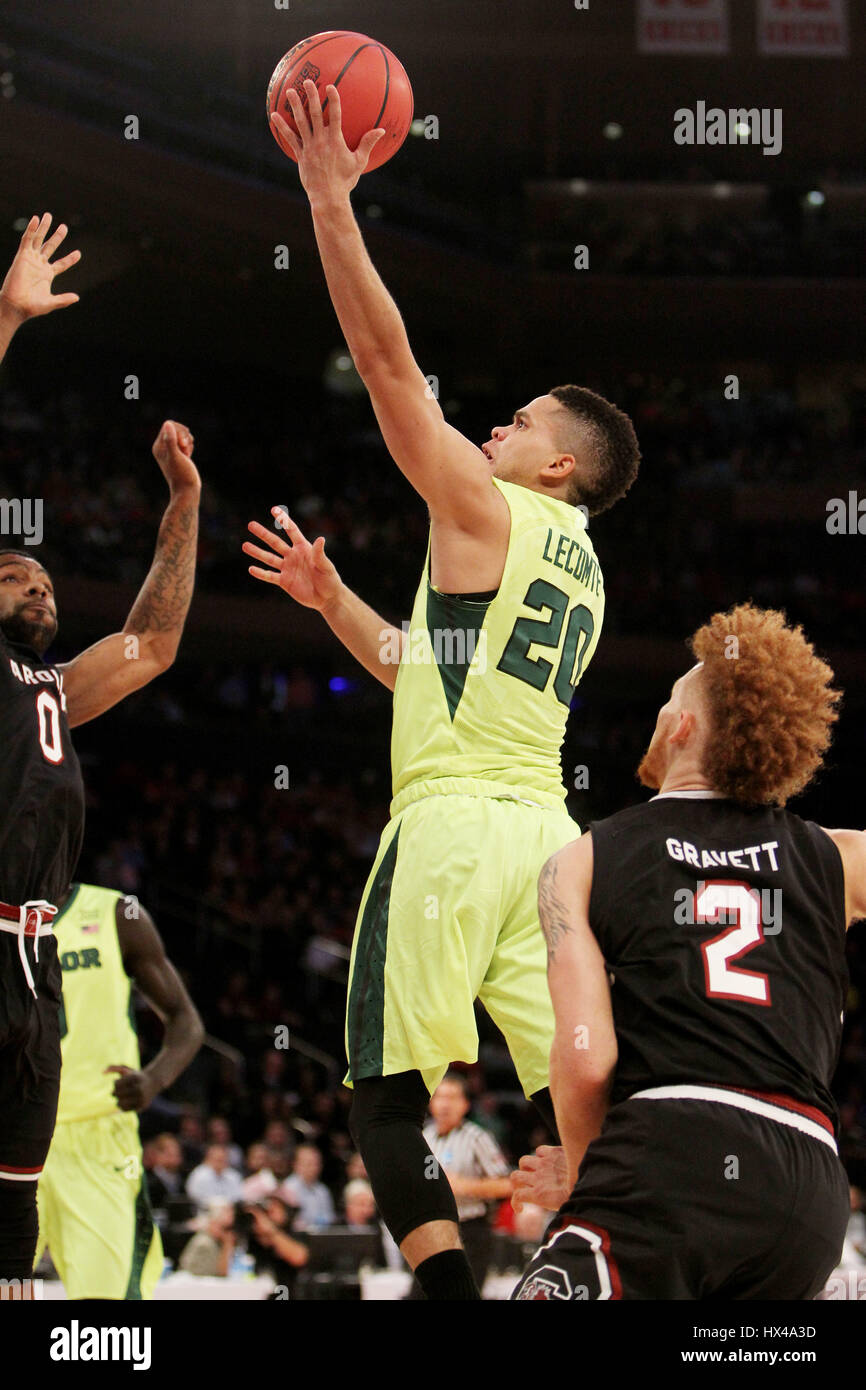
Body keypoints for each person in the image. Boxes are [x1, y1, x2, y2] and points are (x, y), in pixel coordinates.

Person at [247, 80, 640, 1302]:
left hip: (453, 827)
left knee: (377, 1093)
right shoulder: (580, 571)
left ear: (557, 462)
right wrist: (336, 606)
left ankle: (447, 1297)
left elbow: (386, 366)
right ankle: (621, 1274)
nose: (495, 427)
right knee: (580, 1099)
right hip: (548, 849)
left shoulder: (485, 504)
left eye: (517, 420)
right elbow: (425, 669)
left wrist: (327, 203)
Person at [511, 603, 857, 1300]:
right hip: (810, 1191)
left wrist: (589, 1179)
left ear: (683, 726)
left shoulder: (583, 859)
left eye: (670, 699)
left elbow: (584, 1058)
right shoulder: (838, 856)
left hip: (673, 1154)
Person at [0, 214, 201, 1294]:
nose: (38, 584)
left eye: (43, 576)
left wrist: (182, 505)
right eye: (13, 574)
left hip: (31, 967)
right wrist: (4, 319)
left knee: (15, 1217)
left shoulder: (51, 688)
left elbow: (154, 641)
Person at [34, 883, 203, 1299]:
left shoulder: (117, 913)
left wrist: (154, 1080)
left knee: (106, 1318)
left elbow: (186, 1022)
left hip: (98, 1134)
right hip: (15, 1134)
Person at [407, 1072, 511, 1297]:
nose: (445, 1104)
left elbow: (506, 1184)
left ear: (465, 1104)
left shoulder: (477, 1137)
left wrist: (463, 1186)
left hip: (470, 1230)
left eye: (452, 1098)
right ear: (431, 1103)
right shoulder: (424, 1137)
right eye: (440, 1097)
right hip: (430, 1230)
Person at [279, 1144, 335, 1230]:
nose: (314, 1168)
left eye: (317, 1164)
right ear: (296, 1164)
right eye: (309, 1163)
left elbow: (330, 1218)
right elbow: (289, 1221)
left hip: (321, 1236)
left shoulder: (322, 1190)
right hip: (296, 1236)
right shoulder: (288, 1188)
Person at [186, 1145, 244, 1212]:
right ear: (207, 1159)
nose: (220, 1162)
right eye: (217, 1159)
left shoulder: (233, 1176)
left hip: (230, 1213)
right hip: (204, 1213)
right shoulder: (198, 1175)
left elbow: (238, 1198)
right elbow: (195, 1198)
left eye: (223, 1159)